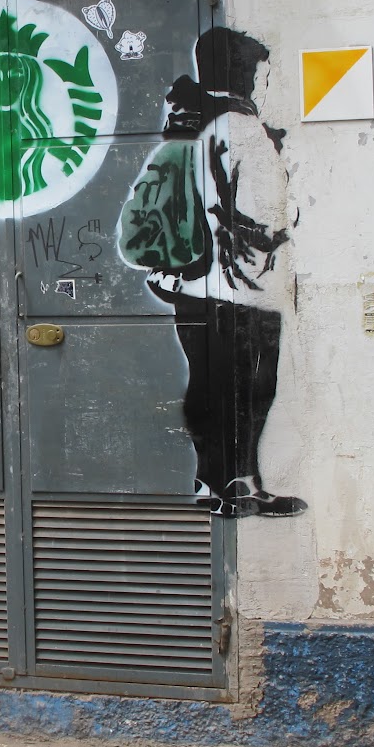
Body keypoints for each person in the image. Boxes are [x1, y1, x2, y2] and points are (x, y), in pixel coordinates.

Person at [119, 27, 305, 518]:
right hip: (246, 291)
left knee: (205, 386)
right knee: (250, 390)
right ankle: (242, 484)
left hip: (191, 287)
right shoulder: (245, 129)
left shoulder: (186, 124)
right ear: (244, 71)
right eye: (261, 71)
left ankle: (207, 484)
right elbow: (268, 216)